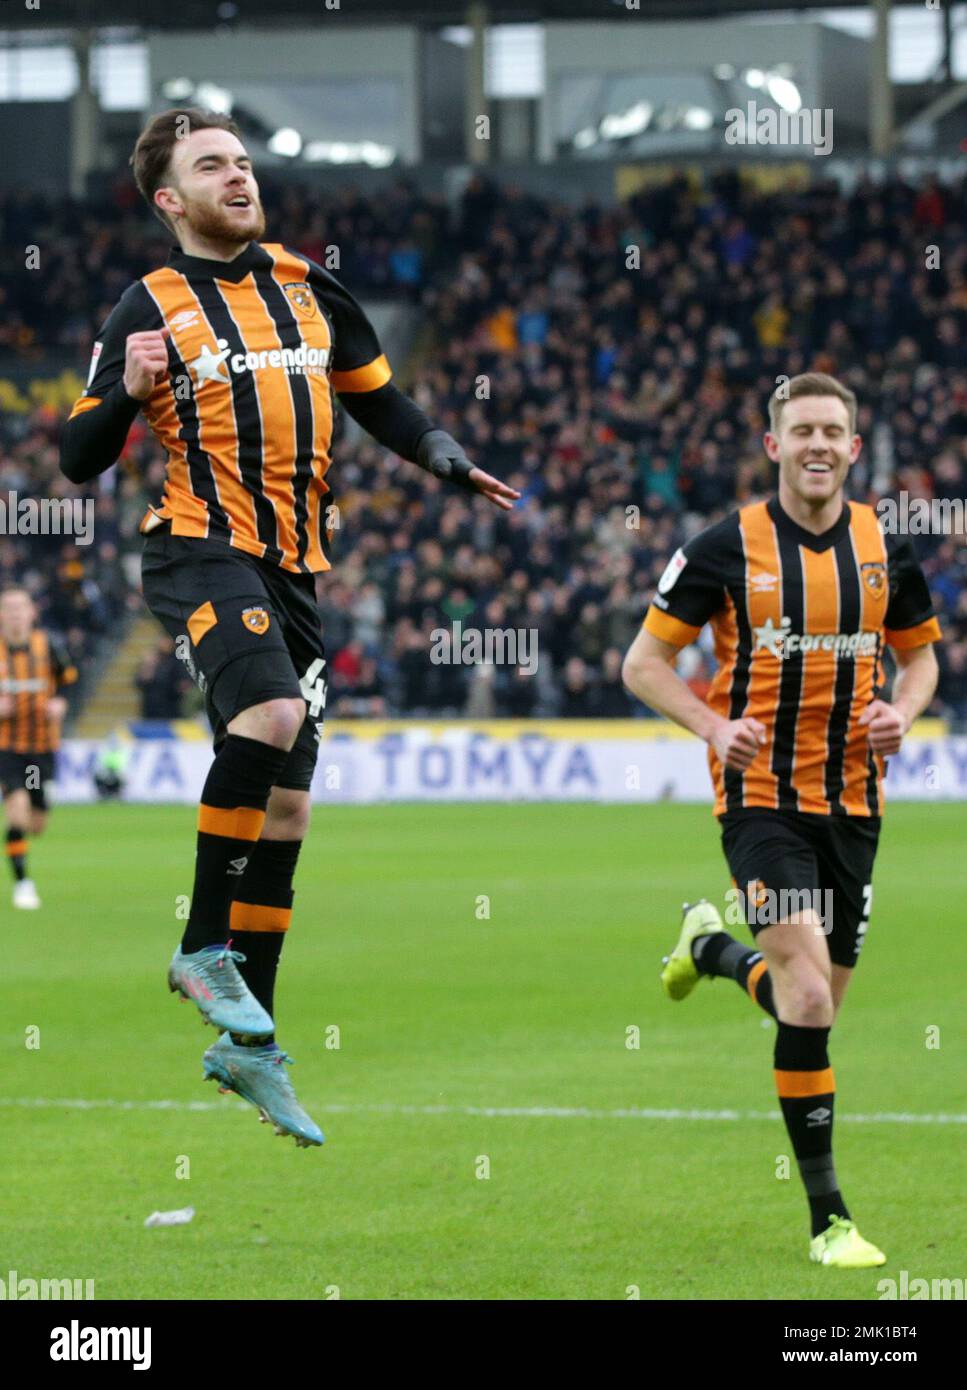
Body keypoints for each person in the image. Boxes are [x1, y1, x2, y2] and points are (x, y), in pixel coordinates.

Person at [60, 107, 518, 1147]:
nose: (237, 175)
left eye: (242, 160)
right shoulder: (149, 304)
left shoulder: (309, 286)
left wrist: (442, 453)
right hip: (196, 547)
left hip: (296, 571)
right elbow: (76, 459)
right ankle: (197, 946)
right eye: (211, 165)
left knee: (289, 816)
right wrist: (126, 396)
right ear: (169, 199)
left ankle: (249, 1050)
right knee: (265, 713)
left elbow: (380, 399)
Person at [622, 373, 941, 1268]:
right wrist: (712, 726)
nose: (816, 445)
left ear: (852, 446)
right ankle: (829, 1220)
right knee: (803, 997)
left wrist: (904, 714)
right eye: (800, 429)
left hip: (853, 806)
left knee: (814, 1012)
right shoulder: (722, 549)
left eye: (831, 432)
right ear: (773, 446)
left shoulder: (886, 549)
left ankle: (711, 951)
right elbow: (642, 664)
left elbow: (920, 663)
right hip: (759, 797)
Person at [0, 588, 77, 910]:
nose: (16, 613)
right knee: (16, 812)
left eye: (21, 607)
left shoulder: (50, 646)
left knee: (37, 823)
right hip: (7, 747)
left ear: (32, 612)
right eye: (9, 608)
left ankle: (34, 812)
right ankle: (23, 884)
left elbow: (69, 681)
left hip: (42, 746)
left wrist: (61, 702)